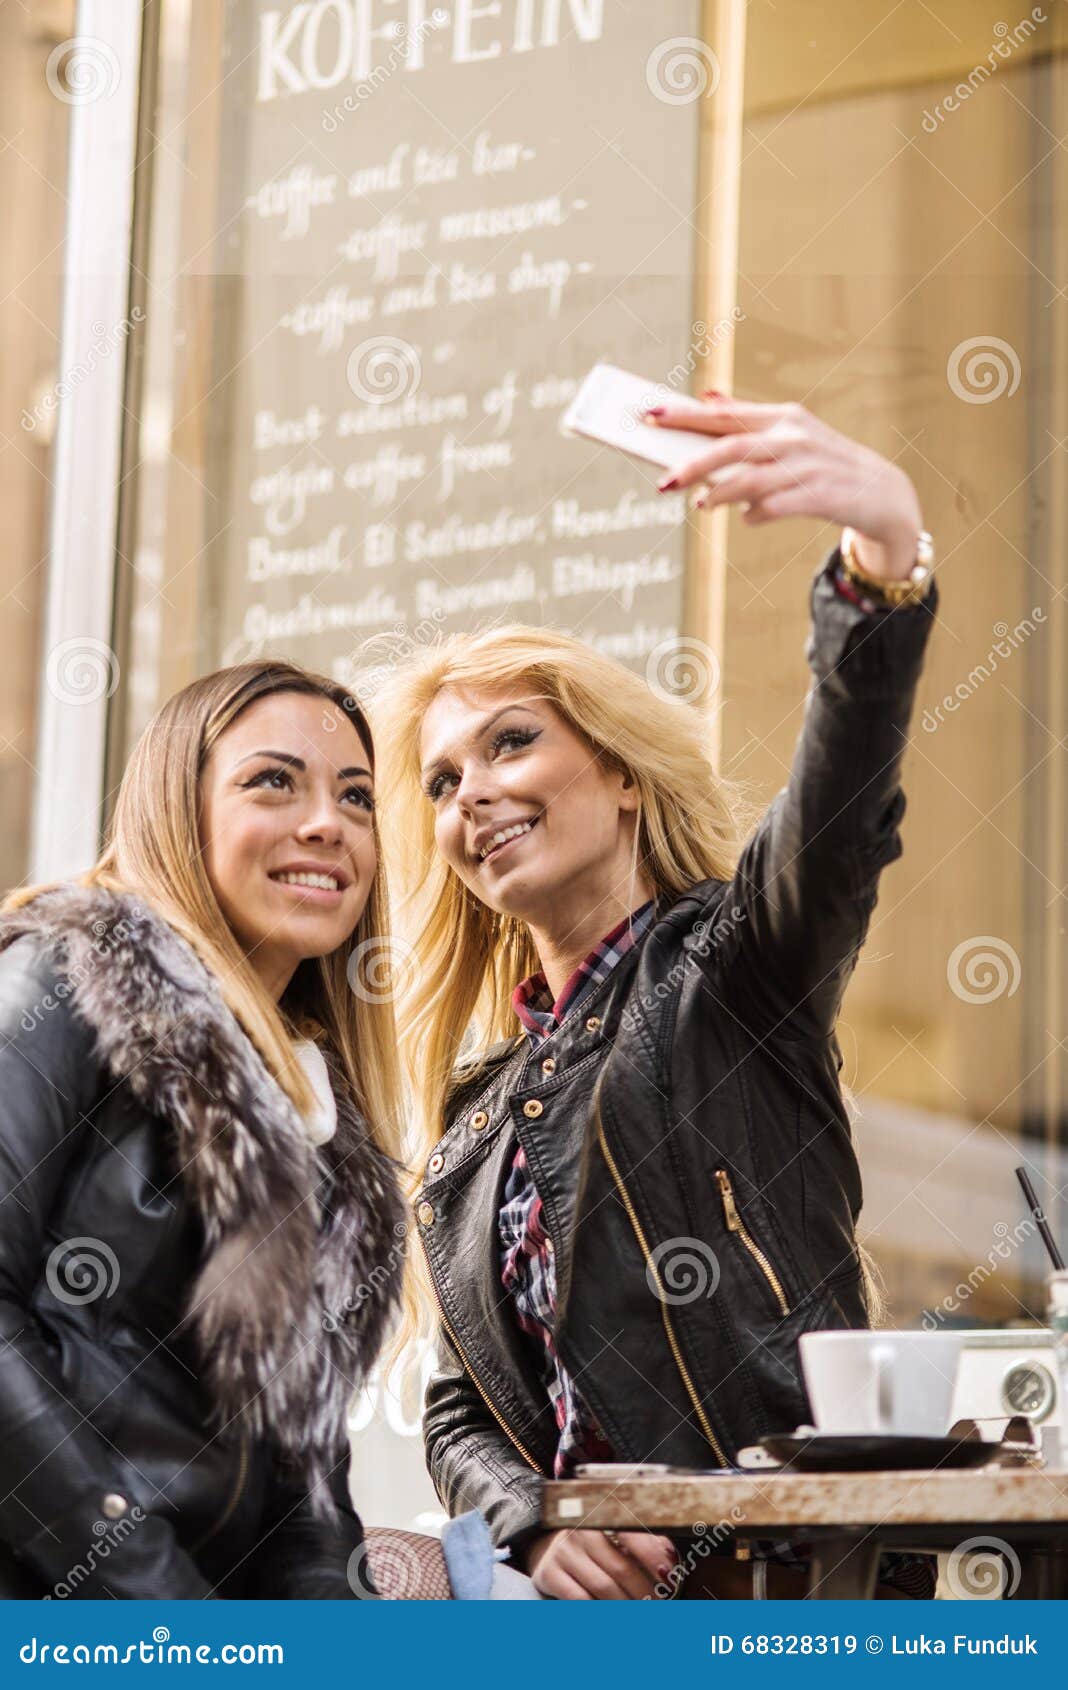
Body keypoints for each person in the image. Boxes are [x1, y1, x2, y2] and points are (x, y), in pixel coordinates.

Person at [375, 393, 941, 1600]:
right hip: (585, 1621)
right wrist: (532, 1519)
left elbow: (839, 809)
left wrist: (880, 559)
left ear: (622, 777)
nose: (469, 792)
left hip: (782, 1585)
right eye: (439, 779)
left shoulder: (733, 974)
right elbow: (456, 1404)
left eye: (511, 743)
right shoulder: (481, 1109)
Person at [0, 660, 410, 1598]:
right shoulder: (60, 983)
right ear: (178, 812)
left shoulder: (316, 1117)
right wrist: (153, 1598)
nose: (327, 824)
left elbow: (306, 1482)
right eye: (275, 781)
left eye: (358, 798)